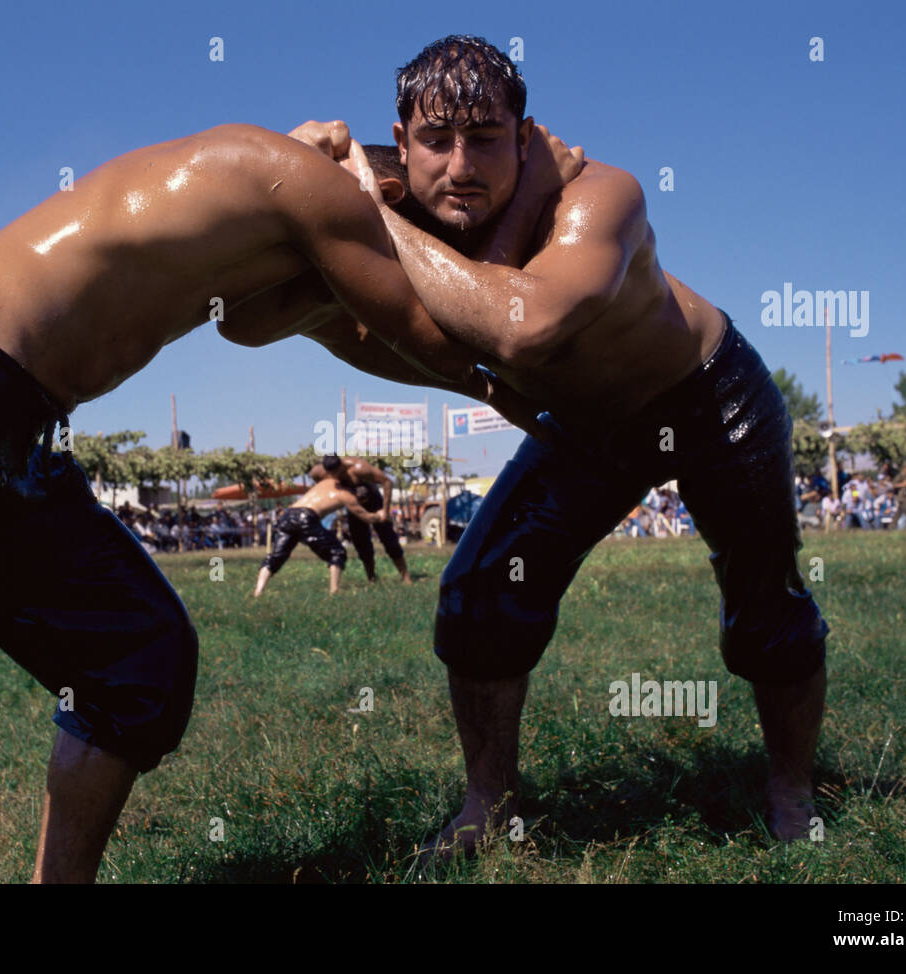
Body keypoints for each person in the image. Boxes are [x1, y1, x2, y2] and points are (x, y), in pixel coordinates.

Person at [0, 122, 547, 884]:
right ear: (394, 193)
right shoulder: (312, 180)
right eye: (436, 241)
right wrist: (544, 395)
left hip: (7, 423)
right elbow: (443, 323)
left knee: (134, 660)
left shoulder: (280, 220)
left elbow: (339, 332)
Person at [294, 35, 830, 848]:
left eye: (485, 138)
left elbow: (525, 325)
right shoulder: (401, 204)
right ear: (399, 146)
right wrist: (300, 168)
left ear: (527, 136)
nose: (460, 164)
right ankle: (491, 804)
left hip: (708, 391)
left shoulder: (597, 195)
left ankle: (792, 793)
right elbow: (268, 289)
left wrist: (361, 211)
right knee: (477, 596)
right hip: (586, 424)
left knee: (766, 609)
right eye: (437, 141)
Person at [252, 478, 385, 596]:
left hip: (288, 515)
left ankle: (258, 592)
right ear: (361, 498)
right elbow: (367, 518)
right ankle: (334, 591)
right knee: (337, 552)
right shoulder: (349, 497)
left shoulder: (328, 481)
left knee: (276, 556)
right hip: (305, 517)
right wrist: (381, 514)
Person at [310, 454, 410, 582]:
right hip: (355, 506)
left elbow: (387, 482)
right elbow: (315, 476)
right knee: (361, 544)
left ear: (341, 465)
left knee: (389, 540)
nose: (335, 477)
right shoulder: (320, 472)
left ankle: (406, 577)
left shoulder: (359, 468)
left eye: (337, 473)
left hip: (374, 502)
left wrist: (385, 511)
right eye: (331, 475)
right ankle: (371, 577)